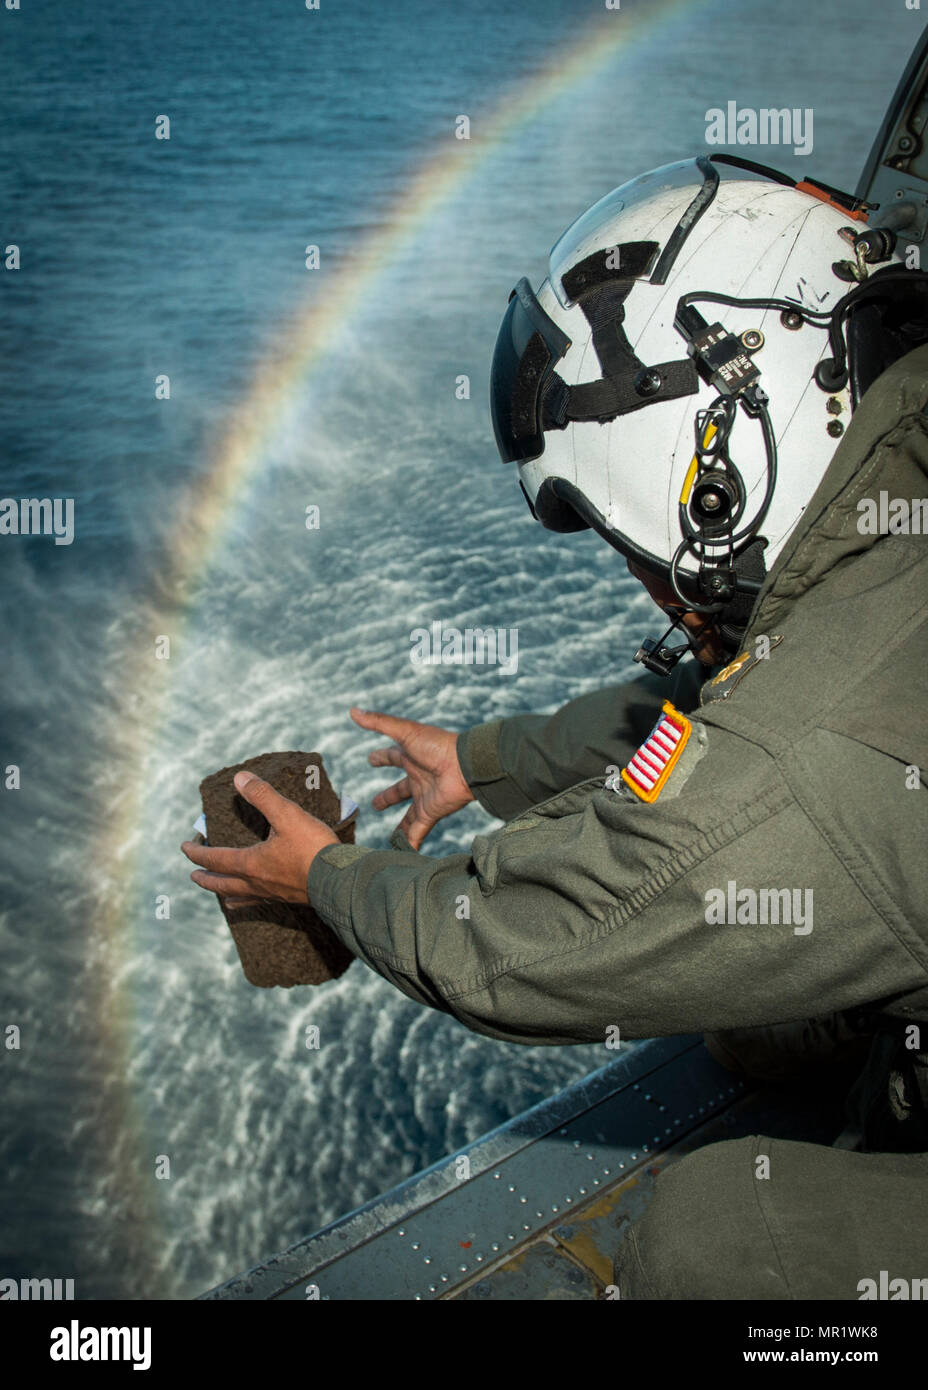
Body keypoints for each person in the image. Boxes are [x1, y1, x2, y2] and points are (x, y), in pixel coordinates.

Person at [182, 155, 928, 1298]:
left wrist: (321, 880)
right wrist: (485, 763)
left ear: (716, 463)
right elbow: (721, 706)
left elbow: (537, 936)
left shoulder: (813, 752)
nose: (658, 598)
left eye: (643, 562)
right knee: (755, 1033)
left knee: (715, 1244)